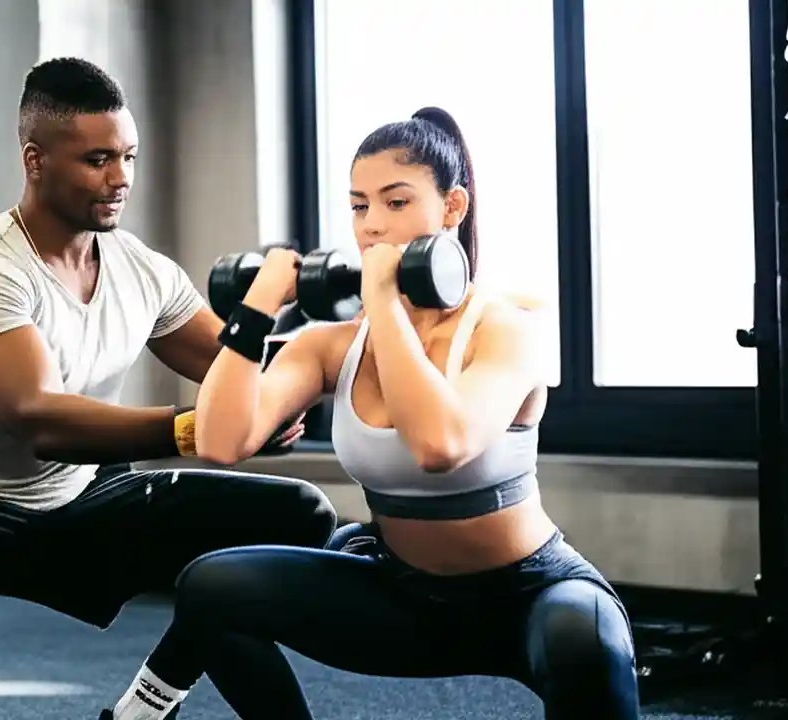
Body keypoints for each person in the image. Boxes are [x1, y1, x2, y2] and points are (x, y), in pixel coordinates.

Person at [102, 107, 640, 720]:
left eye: (396, 202)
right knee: (211, 587)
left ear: (452, 207)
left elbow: (441, 444)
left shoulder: (504, 330)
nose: (373, 227)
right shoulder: (329, 347)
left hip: (526, 594)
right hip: (401, 596)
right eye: (360, 207)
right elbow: (224, 439)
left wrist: (383, 302)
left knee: (585, 638)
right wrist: (254, 312)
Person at [0, 57, 337, 720]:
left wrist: (350, 342)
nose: (121, 178)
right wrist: (193, 429)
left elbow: (236, 367)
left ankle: (145, 707)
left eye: (129, 156)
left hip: (86, 501)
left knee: (297, 515)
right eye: (99, 159)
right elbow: (39, 418)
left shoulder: (140, 269)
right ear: (36, 159)